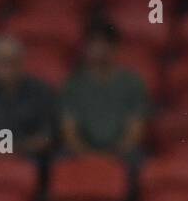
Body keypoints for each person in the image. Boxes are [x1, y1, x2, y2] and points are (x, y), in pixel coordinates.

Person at [60, 25, 150, 160]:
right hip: (82, 151)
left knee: (138, 160)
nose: (101, 50)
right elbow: (69, 131)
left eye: (106, 44)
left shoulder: (133, 84)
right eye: (95, 43)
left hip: (122, 153)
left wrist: (113, 156)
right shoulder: (73, 85)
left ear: (115, 48)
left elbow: (135, 130)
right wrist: (86, 155)